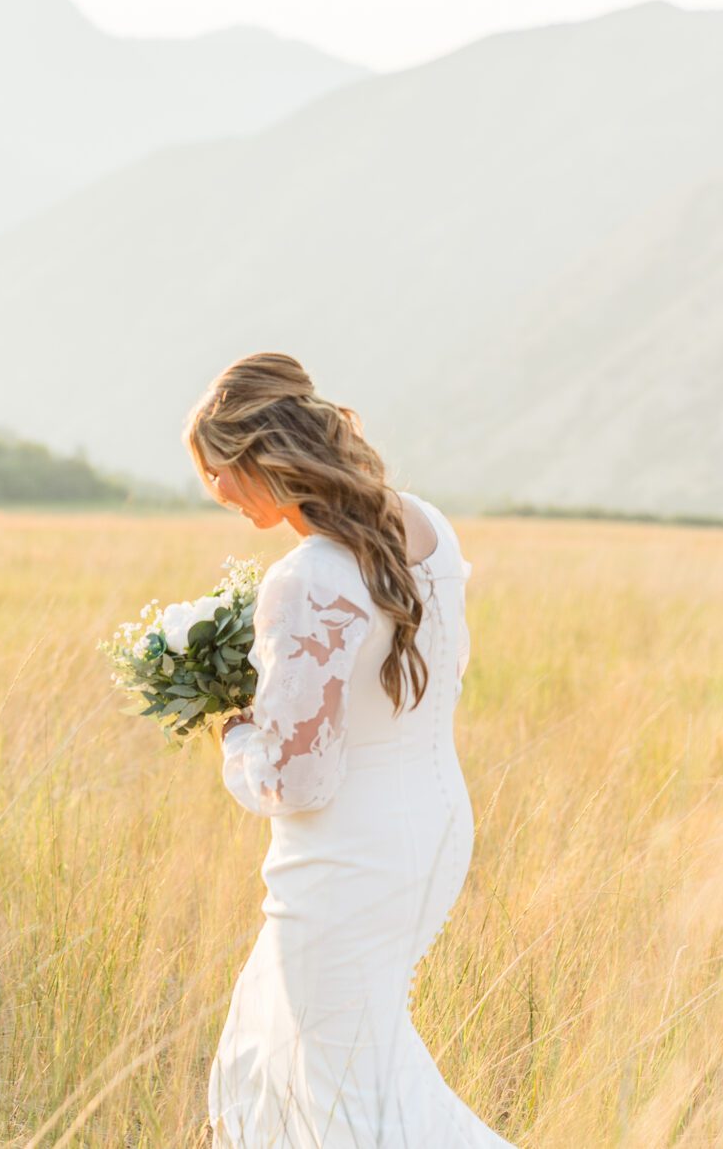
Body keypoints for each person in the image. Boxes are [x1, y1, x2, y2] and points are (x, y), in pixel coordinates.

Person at [186, 353, 515, 1147]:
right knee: (354, 1069)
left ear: (259, 456)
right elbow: (441, 675)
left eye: (219, 471)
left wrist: (234, 740)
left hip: (346, 857)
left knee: (332, 1093)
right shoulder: (427, 527)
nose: (217, 494)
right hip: (431, 826)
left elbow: (299, 781)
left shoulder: (307, 579)